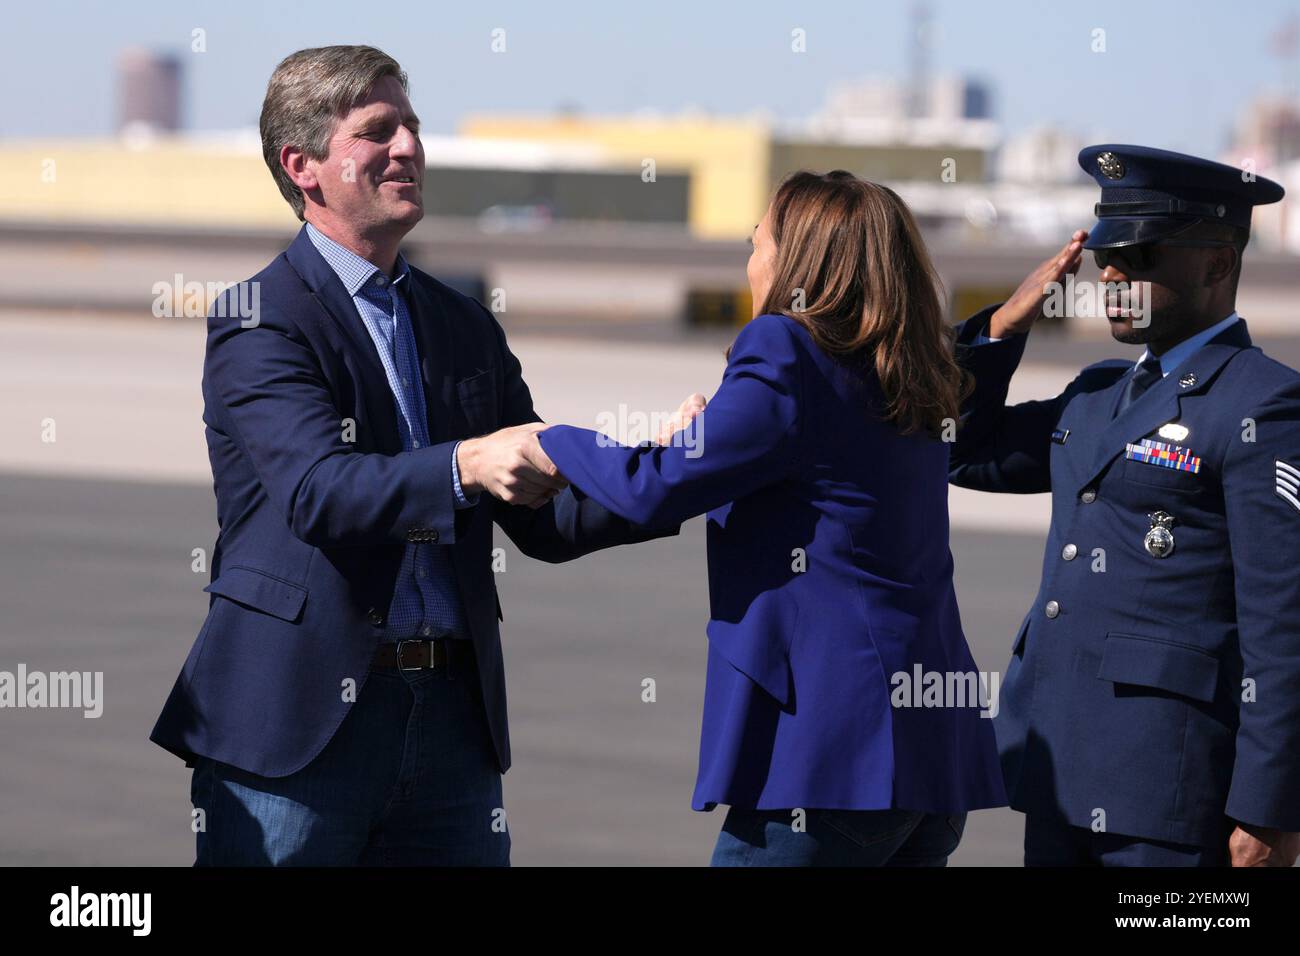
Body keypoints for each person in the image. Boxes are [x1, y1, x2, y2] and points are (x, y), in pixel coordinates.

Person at [148, 45, 676, 866]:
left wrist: (679, 471)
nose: (409, 148)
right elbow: (320, 492)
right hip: (298, 728)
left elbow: (542, 515)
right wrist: (466, 463)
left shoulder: (462, 322)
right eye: (378, 130)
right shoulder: (261, 318)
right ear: (304, 166)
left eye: (414, 127)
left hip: (451, 730)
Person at [537, 170, 1008, 866]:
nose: (750, 261)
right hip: (930, 761)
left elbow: (654, 489)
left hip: (833, 762)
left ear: (796, 264)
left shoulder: (785, 352)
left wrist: (546, 440)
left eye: (758, 244)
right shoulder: (908, 367)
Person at [950, 144, 1300, 866]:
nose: (1112, 274)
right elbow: (962, 450)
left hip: (1168, 794)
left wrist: (1271, 809)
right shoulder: (1097, 393)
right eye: (1107, 254)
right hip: (1058, 770)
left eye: (1140, 256)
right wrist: (1000, 331)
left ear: (1215, 263)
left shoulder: (1261, 402)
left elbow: (1284, 621)